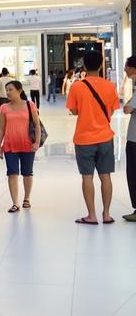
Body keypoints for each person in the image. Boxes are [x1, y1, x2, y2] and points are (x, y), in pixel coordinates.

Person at [67, 52, 120, 225]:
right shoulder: (110, 86)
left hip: (84, 138)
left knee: (87, 177)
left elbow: (74, 111)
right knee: (106, 176)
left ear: (84, 66)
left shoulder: (76, 86)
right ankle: (106, 214)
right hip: (105, 136)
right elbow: (112, 110)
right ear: (100, 65)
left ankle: (91, 215)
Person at [0, 80, 40, 213]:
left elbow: (37, 125)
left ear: (19, 91)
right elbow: (1, 129)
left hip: (27, 144)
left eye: (10, 89)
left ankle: (26, 199)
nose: (8, 92)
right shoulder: (4, 107)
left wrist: (37, 142)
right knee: (12, 174)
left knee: (27, 173)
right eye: (6, 90)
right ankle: (15, 203)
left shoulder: (30, 105)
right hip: (10, 145)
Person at [122, 57, 136, 222]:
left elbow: (127, 109)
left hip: (134, 139)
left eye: (126, 66)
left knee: (133, 174)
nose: (124, 69)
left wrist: (129, 104)